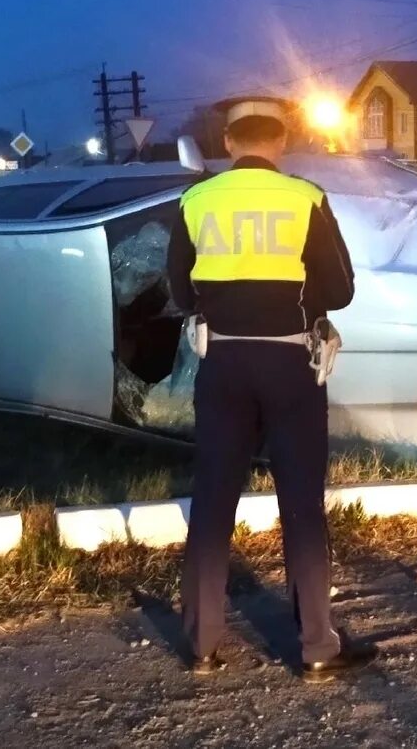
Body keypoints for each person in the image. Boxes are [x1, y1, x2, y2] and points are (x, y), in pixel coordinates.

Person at [166, 95, 376, 681]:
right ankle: (317, 647)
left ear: (228, 143)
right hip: (290, 363)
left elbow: (180, 292)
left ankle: (202, 645)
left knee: (213, 499)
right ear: (280, 144)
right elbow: (341, 289)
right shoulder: (305, 197)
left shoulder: (195, 200)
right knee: (302, 504)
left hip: (223, 362)